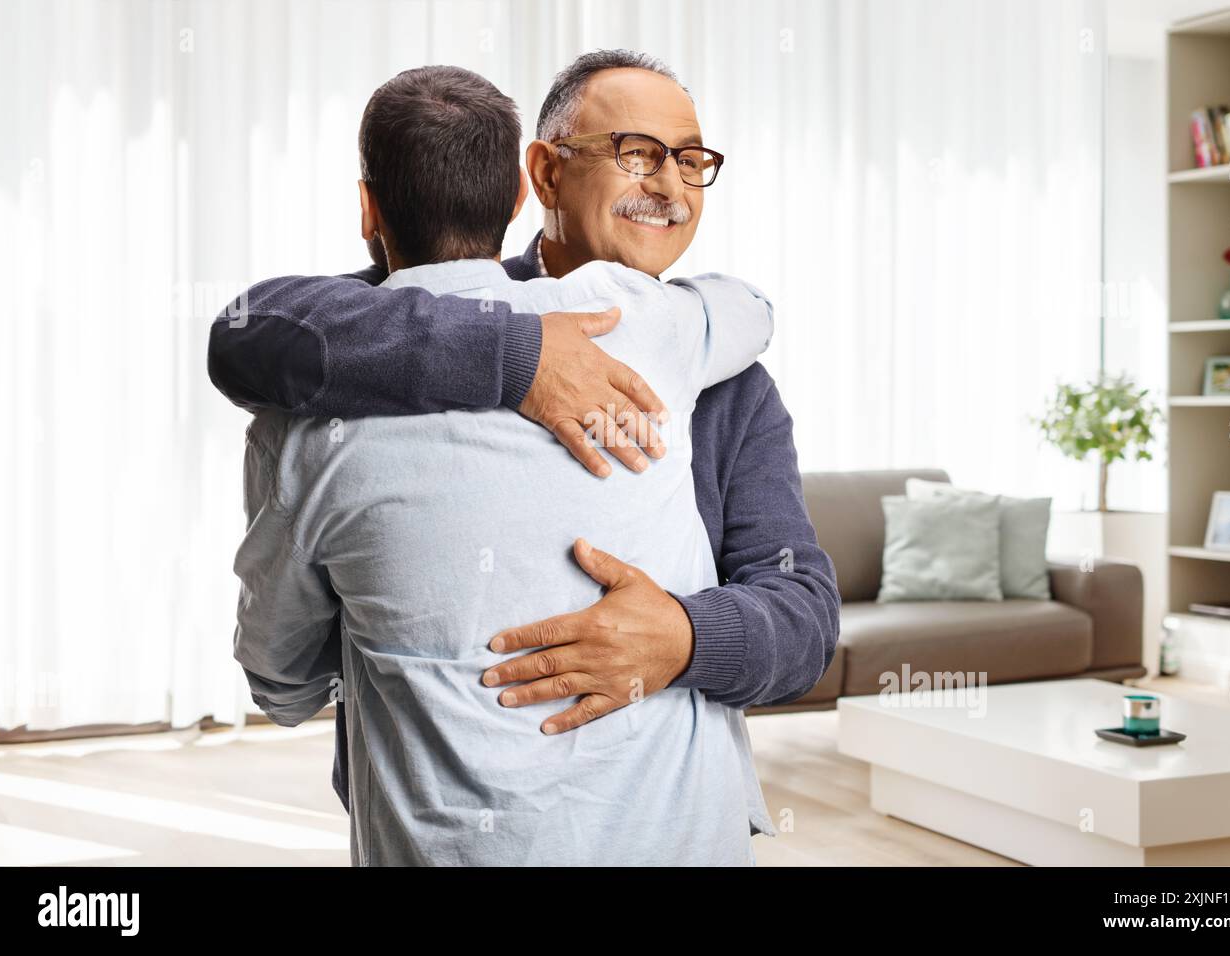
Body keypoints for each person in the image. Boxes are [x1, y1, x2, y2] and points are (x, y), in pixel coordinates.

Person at [209, 49, 840, 840]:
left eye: (690, 161)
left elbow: (806, 617)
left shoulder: (727, 379)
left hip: (668, 827)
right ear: (538, 179)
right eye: (637, 153)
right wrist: (516, 356)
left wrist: (685, 637)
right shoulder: (425, 306)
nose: (671, 187)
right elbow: (259, 337)